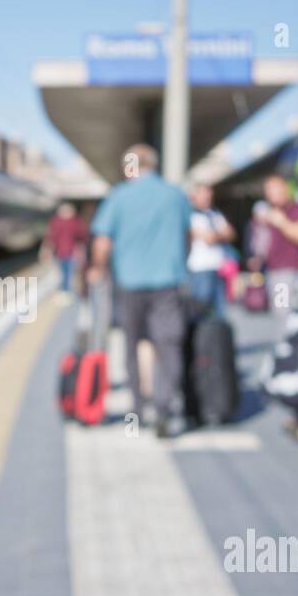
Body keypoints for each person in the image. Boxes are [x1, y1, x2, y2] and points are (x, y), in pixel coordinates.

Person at [88, 143, 190, 438]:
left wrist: (98, 269)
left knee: (132, 345)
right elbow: (188, 236)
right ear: (154, 165)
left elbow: (102, 243)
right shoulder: (175, 195)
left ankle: (136, 406)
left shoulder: (119, 197)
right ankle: (163, 408)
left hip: (130, 284)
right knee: (168, 345)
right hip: (168, 283)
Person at [255, 175, 298, 318]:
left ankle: (287, 340)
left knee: (284, 314)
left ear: (285, 189)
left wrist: (282, 222)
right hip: (272, 271)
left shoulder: (296, 210)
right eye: (268, 191)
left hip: (286, 271)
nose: (271, 195)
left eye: (275, 190)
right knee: (279, 312)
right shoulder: (271, 211)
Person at [185, 183, 235, 317]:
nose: (208, 197)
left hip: (218, 267)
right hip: (200, 268)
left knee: (220, 310)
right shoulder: (190, 215)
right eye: (204, 194)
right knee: (200, 308)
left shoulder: (214, 213)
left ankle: (218, 337)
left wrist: (216, 235)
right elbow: (209, 238)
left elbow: (231, 234)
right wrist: (220, 234)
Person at [42, 202, 88, 293]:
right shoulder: (58, 222)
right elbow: (50, 237)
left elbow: (82, 236)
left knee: (68, 273)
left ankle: (66, 290)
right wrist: (47, 249)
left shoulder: (74, 222)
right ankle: (65, 290)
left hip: (70, 252)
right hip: (61, 252)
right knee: (63, 272)